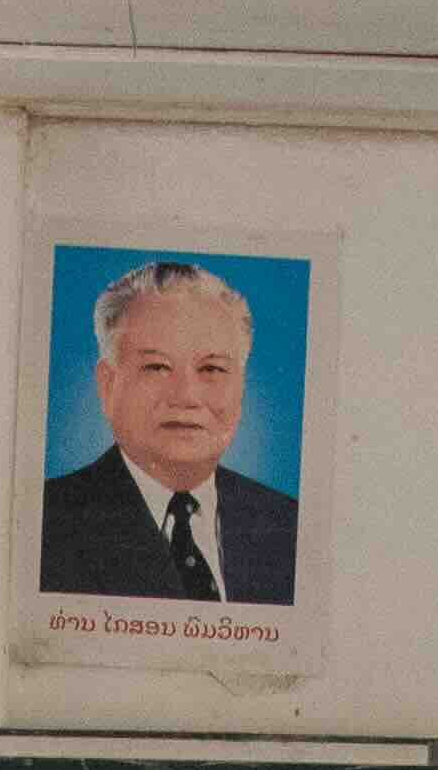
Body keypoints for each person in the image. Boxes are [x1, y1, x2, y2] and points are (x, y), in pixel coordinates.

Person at [34, 257, 297, 605]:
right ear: (108, 385)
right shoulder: (43, 525)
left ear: (241, 386)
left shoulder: (289, 526)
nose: (186, 396)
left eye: (212, 369)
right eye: (157, 367)